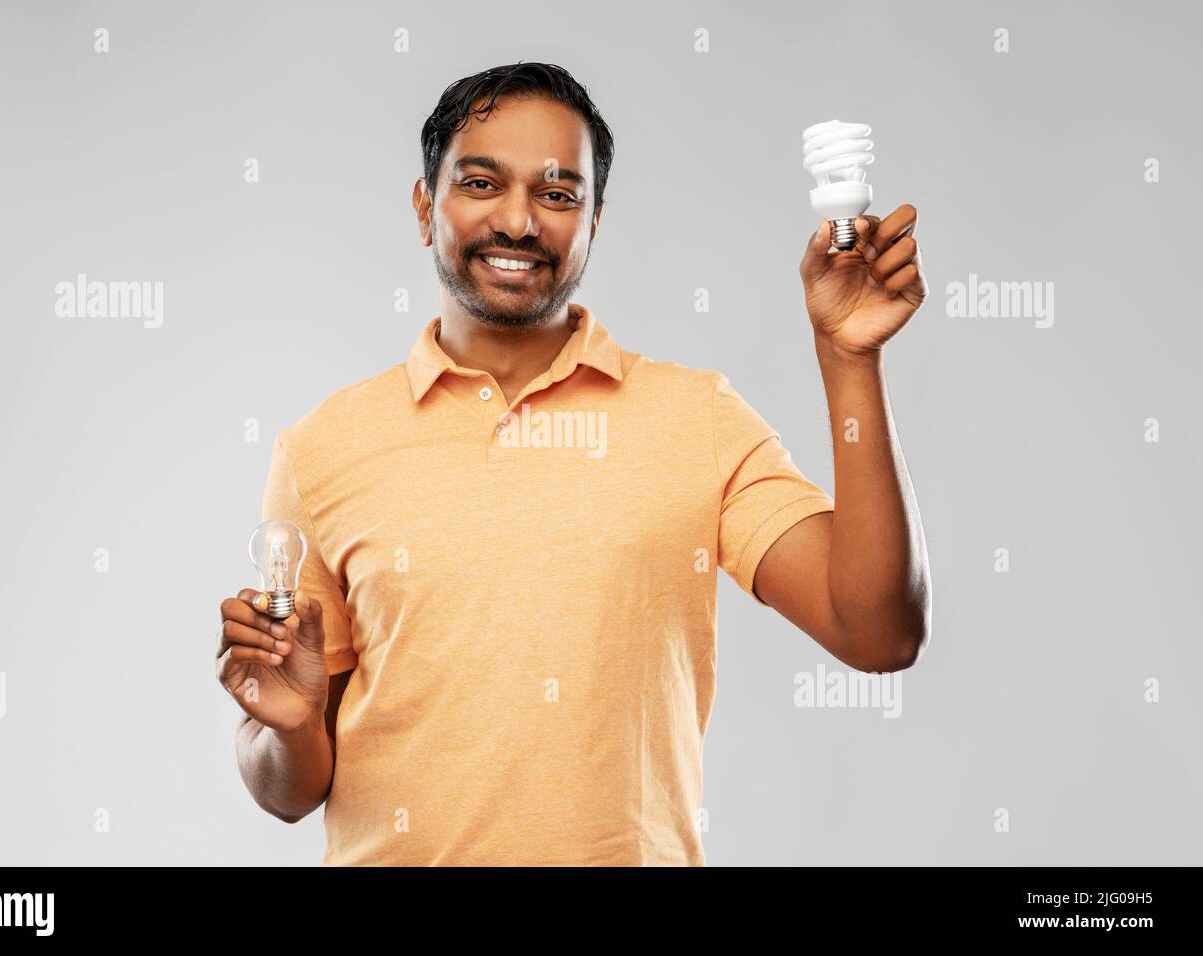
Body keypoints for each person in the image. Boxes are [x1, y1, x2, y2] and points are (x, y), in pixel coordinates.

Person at [216, 62, 931, 866]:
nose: (518, 222)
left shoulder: (694, 418)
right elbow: (292, 790)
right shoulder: (322, 449)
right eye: (481, 183)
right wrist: (285, 726)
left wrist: (846, 359)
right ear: (426, 207)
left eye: (559, 195)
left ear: (594, 221)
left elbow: (878, 633)